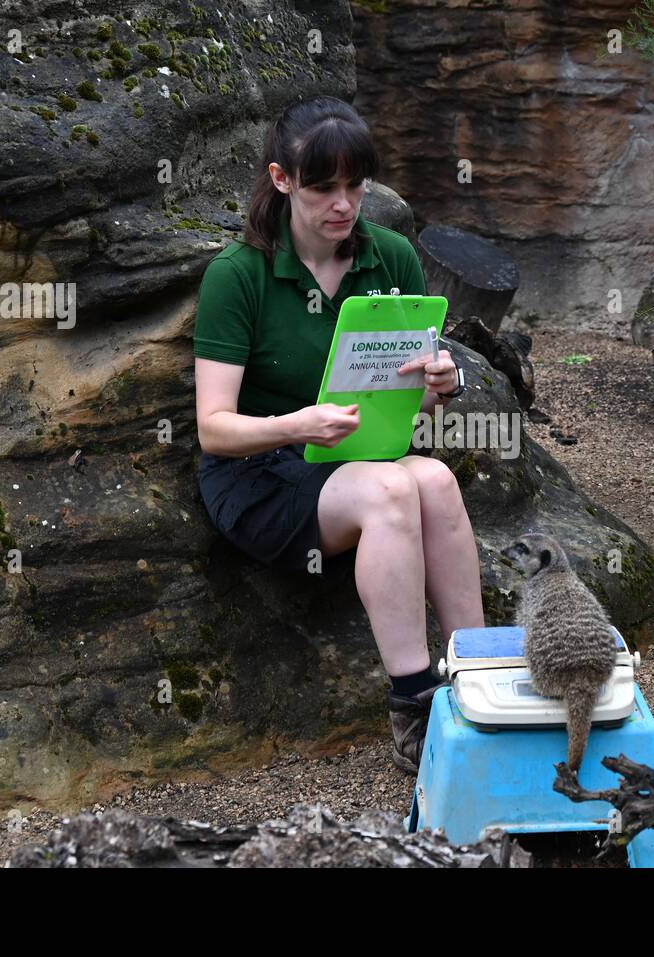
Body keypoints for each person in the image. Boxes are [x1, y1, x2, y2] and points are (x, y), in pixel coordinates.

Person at [192, 95, 485, 775]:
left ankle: (480, 680)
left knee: (435, 480)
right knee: (390, 488)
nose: (344, 203)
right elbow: (212, 429)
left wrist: (439, 387)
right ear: (281, 179)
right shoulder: (237, 276)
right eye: (324, 186)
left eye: (356, 185)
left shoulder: (390, 258)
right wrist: (297, 424)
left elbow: (409, 417)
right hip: (260, 471)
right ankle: (414, 705)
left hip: (351, 455)